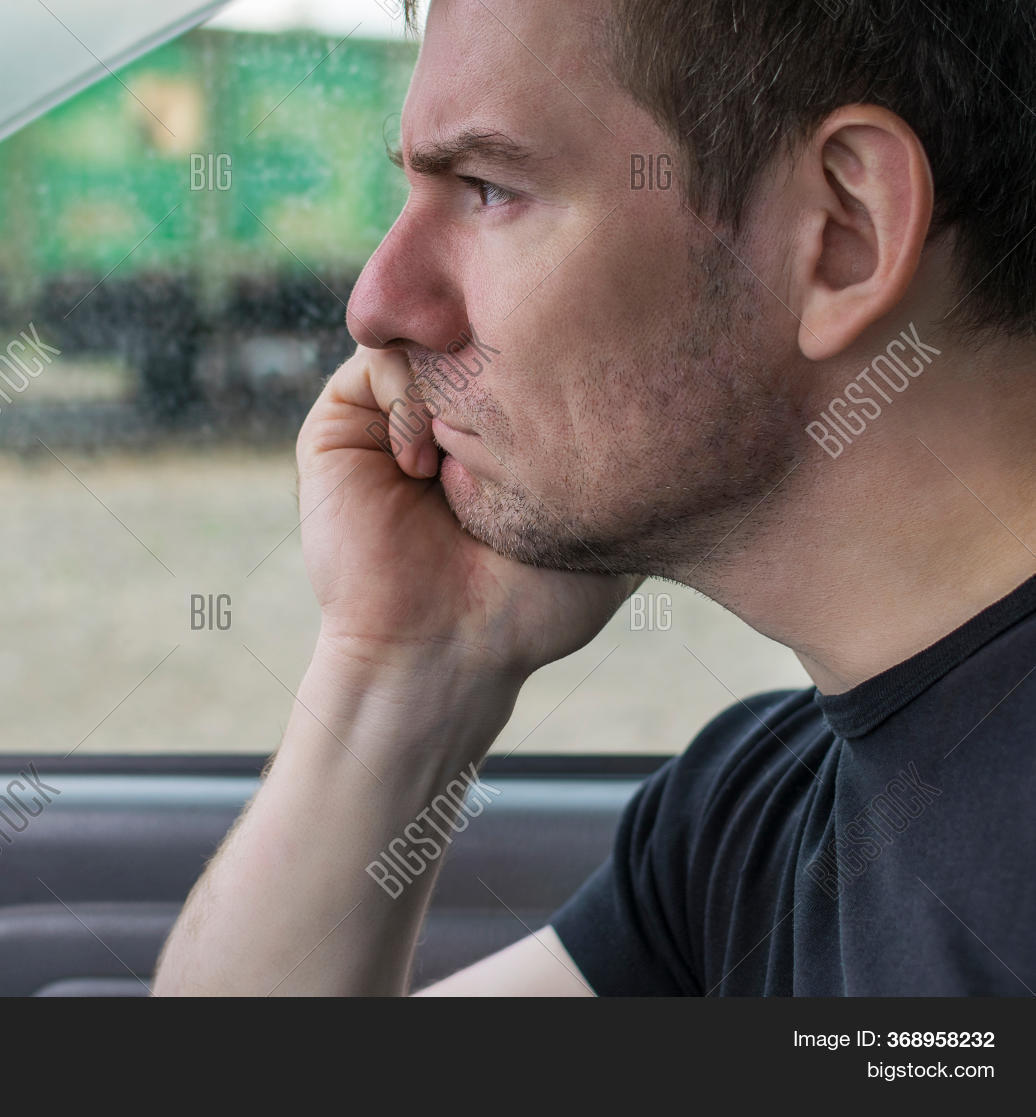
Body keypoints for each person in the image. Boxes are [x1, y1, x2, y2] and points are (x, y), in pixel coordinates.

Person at [154, 0, 1036, 995]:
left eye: (488, 189)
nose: (377, 303)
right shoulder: (745, 827)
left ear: (843, 234)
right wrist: (413, 661)